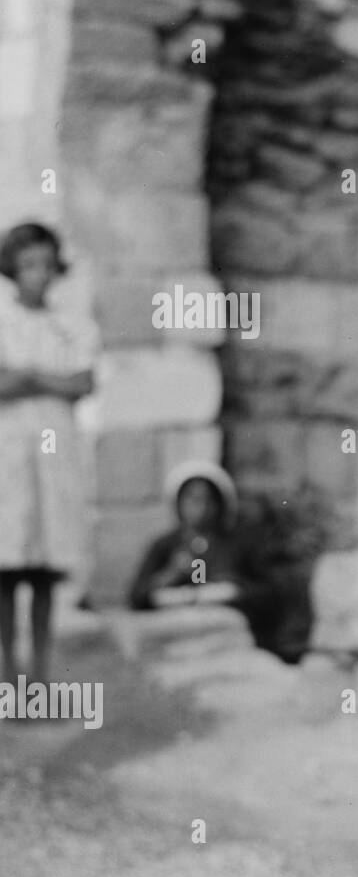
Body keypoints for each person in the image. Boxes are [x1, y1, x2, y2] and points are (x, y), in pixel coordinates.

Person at [0, 222, 98, 688]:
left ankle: (39, 671)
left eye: (44, 265)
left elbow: (82, 382)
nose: (36, 275)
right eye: (26, 266)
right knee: (7, 564)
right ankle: (8, 670)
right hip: (8, 452)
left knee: (43, 569)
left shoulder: (69, 325)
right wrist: (44, 380)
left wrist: (29, 377)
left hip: (52, 453)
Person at [128, 460, 273, 631]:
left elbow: (267, 595)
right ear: (178, 502)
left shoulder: (238, 544)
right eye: (193, 499)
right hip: (174, 631)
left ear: (220, 505)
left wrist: (234, 588)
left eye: (208, 500)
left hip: (224, 631)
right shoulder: (164, 545)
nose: (201, 507)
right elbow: (136, 598)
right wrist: (169, 575)